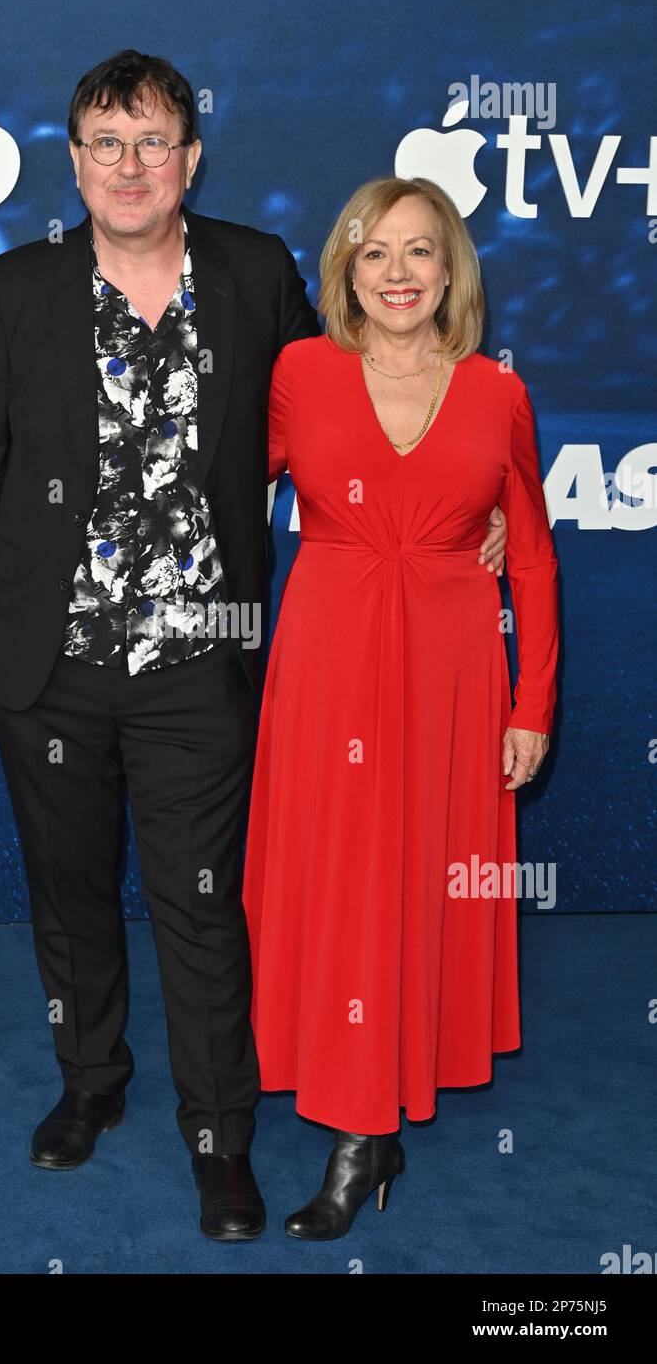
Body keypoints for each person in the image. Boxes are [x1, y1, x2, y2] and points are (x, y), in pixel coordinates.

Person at [0, 50, 508, 1240]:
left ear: (191, 159)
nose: (130, 166)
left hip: (209, 655)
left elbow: (355, 394)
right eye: (106, 142)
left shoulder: (255, 274)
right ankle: (90, 1084)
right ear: (77, 160)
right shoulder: (14, 289)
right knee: (71, 889)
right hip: (49, 656)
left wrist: (477, 497)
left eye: (154, 143)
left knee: (204, 906)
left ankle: (221, 1140)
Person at [241, 176, 559, 1240]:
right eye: (374, 252)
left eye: (420, 252)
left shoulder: (497, 394)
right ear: (345, 269)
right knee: (344, 882)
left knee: (414, 879)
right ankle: (361, 1121)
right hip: (327, 660)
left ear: (451, 270)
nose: (397, 273)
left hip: (455, 670)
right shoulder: (298, 372)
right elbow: (228, 497)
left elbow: (538, 561)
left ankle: (371, 1119)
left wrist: (533, 705)